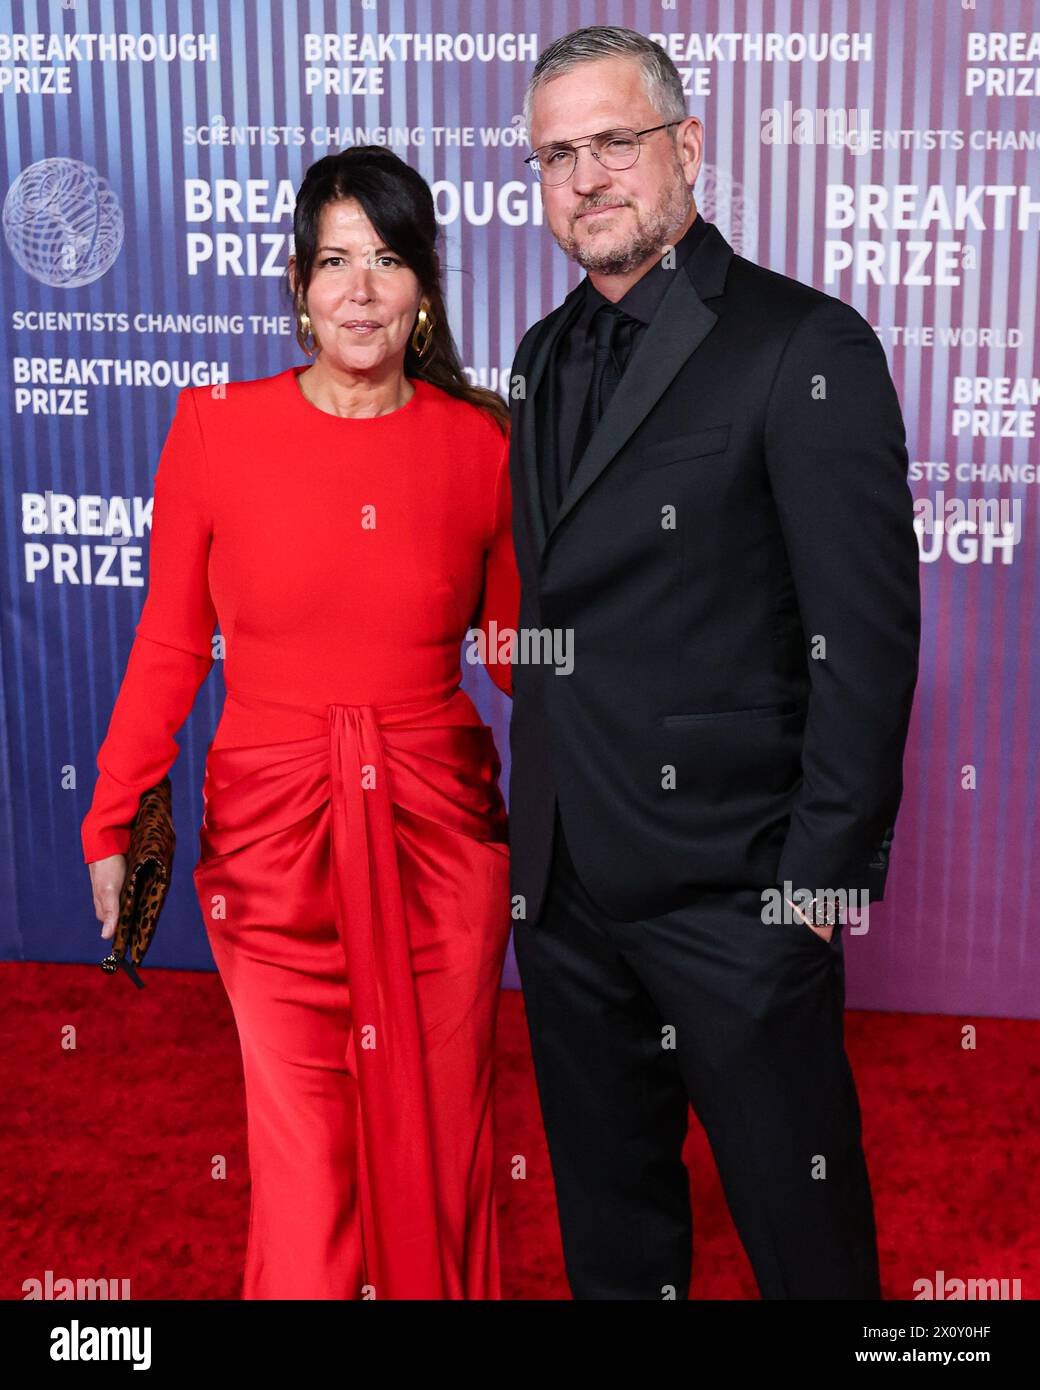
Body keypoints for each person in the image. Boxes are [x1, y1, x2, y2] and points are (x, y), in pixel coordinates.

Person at [508, 27, 920, 1299]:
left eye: (613, 142)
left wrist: (813, 892)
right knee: (615, 1240)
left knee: (806, 1252)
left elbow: (863, 639)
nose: (585, 177)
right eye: (556, 154)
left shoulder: (803, 347)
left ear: (686, 148)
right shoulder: (535, 356)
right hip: (567, 890)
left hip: (737, 899)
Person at [82, 146, 519, 1300]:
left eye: (387, 260)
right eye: (335, 261)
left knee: (442, 1132)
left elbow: (524, 661)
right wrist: (111, 815)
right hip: (274, 849)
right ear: (296, 282)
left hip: (438, 840)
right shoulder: (217, 429)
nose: (360, 290)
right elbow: (172, 644)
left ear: (424, 285)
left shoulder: (482, 447)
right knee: (304, 1149)